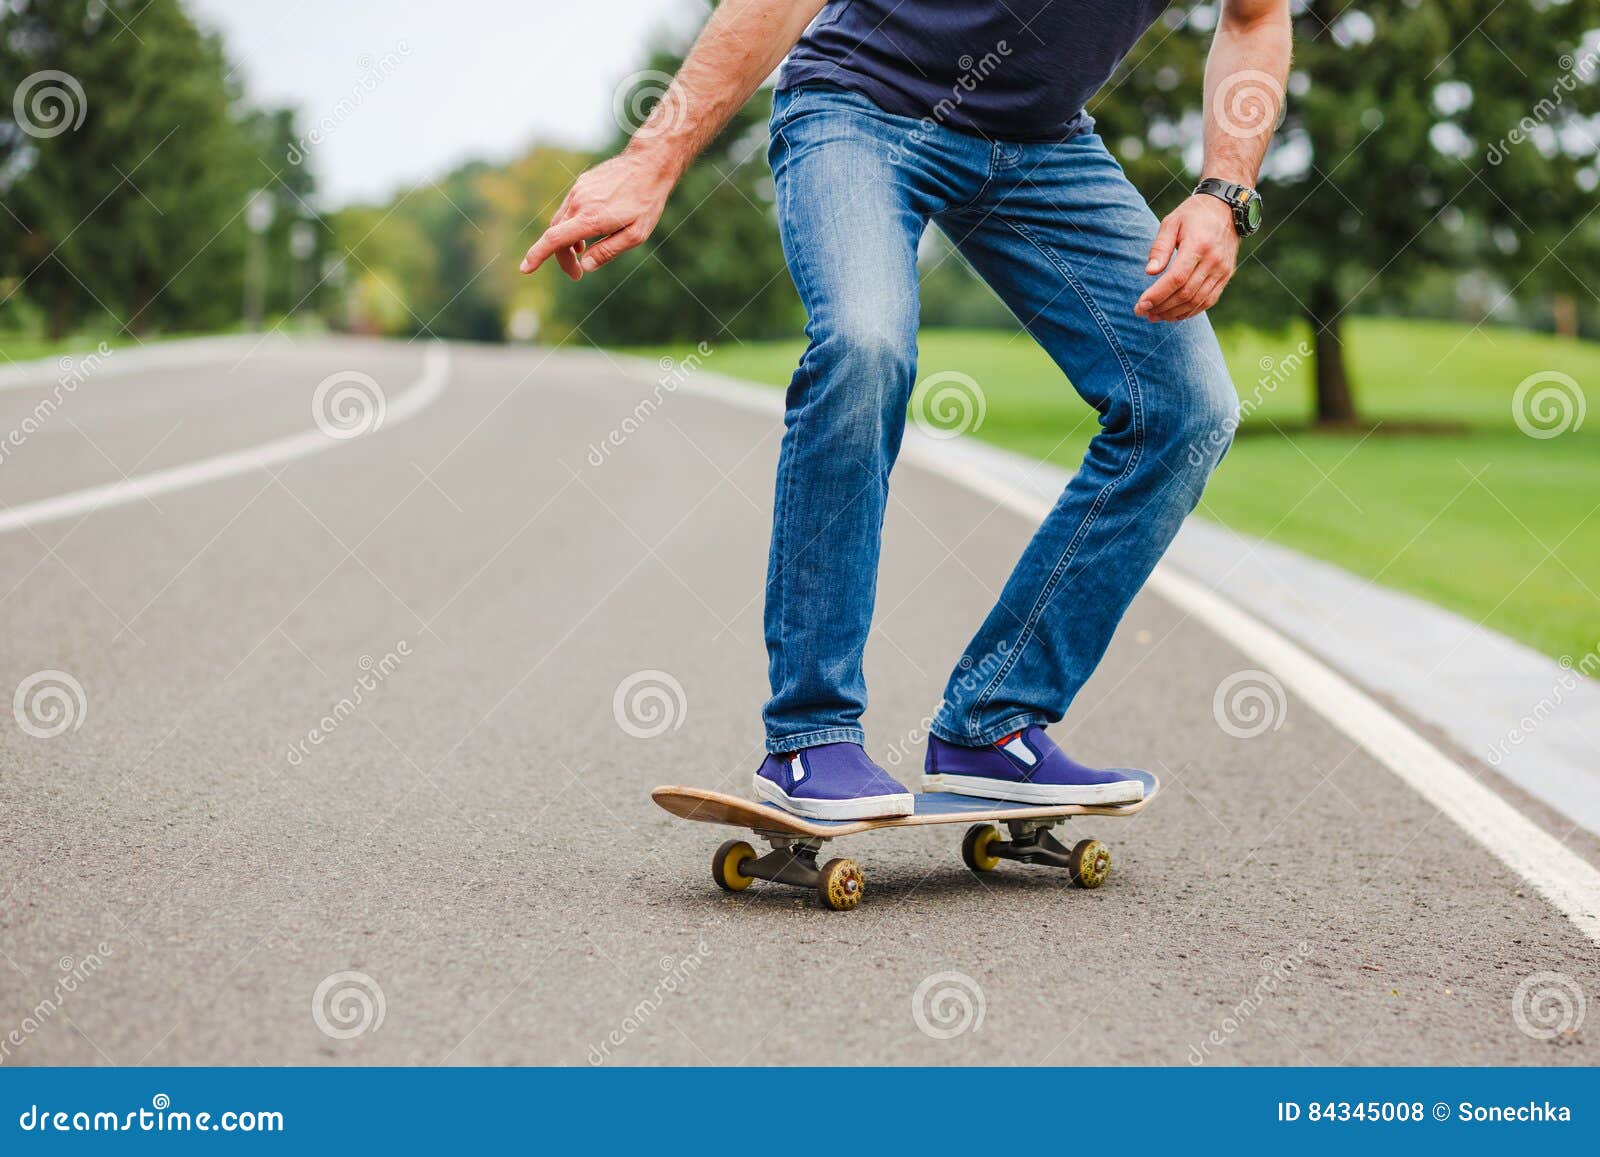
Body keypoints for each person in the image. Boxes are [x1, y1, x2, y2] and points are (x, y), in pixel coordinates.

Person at [522, 0, 1291, 820]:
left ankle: (992, 721)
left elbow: (1256, 16)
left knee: (1186, 406)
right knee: (864, 343)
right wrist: (653, 157)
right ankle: (810, 737)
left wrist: (1224, 192)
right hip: (860, 104)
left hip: (1043, 142)